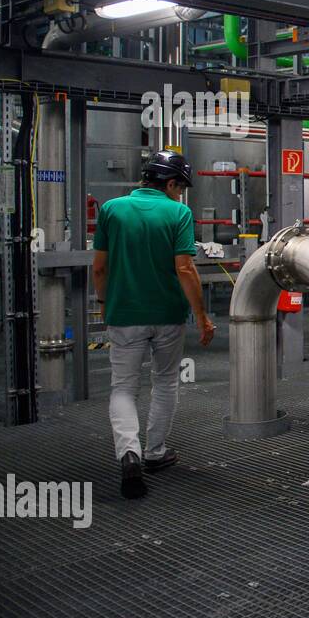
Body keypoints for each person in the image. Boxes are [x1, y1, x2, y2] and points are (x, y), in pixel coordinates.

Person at [92, 151, 215, 499]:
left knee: (123, 388)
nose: (180, 194)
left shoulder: (111, 210)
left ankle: (128, 453)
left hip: (124, 314)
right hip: (167, 315)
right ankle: (155, 452)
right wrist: (203, 317)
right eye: (180, 188)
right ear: (171, 183)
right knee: (164, 382)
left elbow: (99, 268)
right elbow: (185, 269)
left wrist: (104, 303)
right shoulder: (178, 213)